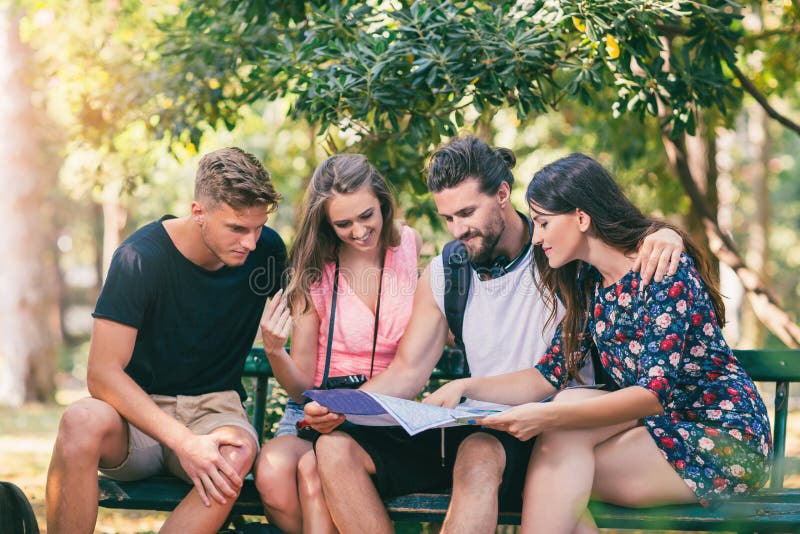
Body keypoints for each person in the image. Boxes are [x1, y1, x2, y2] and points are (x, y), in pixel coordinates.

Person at [304, 135, 686, 533]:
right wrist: (344, 408)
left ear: (502, 194)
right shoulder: (446, 272)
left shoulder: (561, 251)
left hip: (549, 433)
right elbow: (407, 371)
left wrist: (664, 234)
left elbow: (614, 238)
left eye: (467, 212)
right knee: (334, 449)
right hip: (473, 424)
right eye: (448, 218)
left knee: (478, 453)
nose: (458, 229)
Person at [426, 153, 773, 533]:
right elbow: (548, 375)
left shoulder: (660, 271)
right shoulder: (588, 283)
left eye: (543, 222)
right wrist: (465, 386)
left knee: (555, 470)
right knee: (561, 446)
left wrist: (544, 416)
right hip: (660, 430)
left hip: (721, 438)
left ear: (581, 218)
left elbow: (652, 395)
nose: (536, 237)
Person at [45, 147, 286, 534]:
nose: (251, 242)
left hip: (214, 411)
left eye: (259, 228)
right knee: (79, 421)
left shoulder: (266, 253)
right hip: (136, 418)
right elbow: (102, 374)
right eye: (237, 229)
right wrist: (183, 442)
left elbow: (314, 308)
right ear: (198, 212)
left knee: (235, 454)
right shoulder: (139, 258)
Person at [254, 154, 421, 534]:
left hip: (385, 414)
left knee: (313, 468)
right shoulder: (314, 269)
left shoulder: (408, 244)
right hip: (319, 414)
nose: (359, 231)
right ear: (326, 224)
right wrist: (275, 351)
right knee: (273, 471)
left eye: (366, 216)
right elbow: (301, 387)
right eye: (343, 224)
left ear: (382, 203)